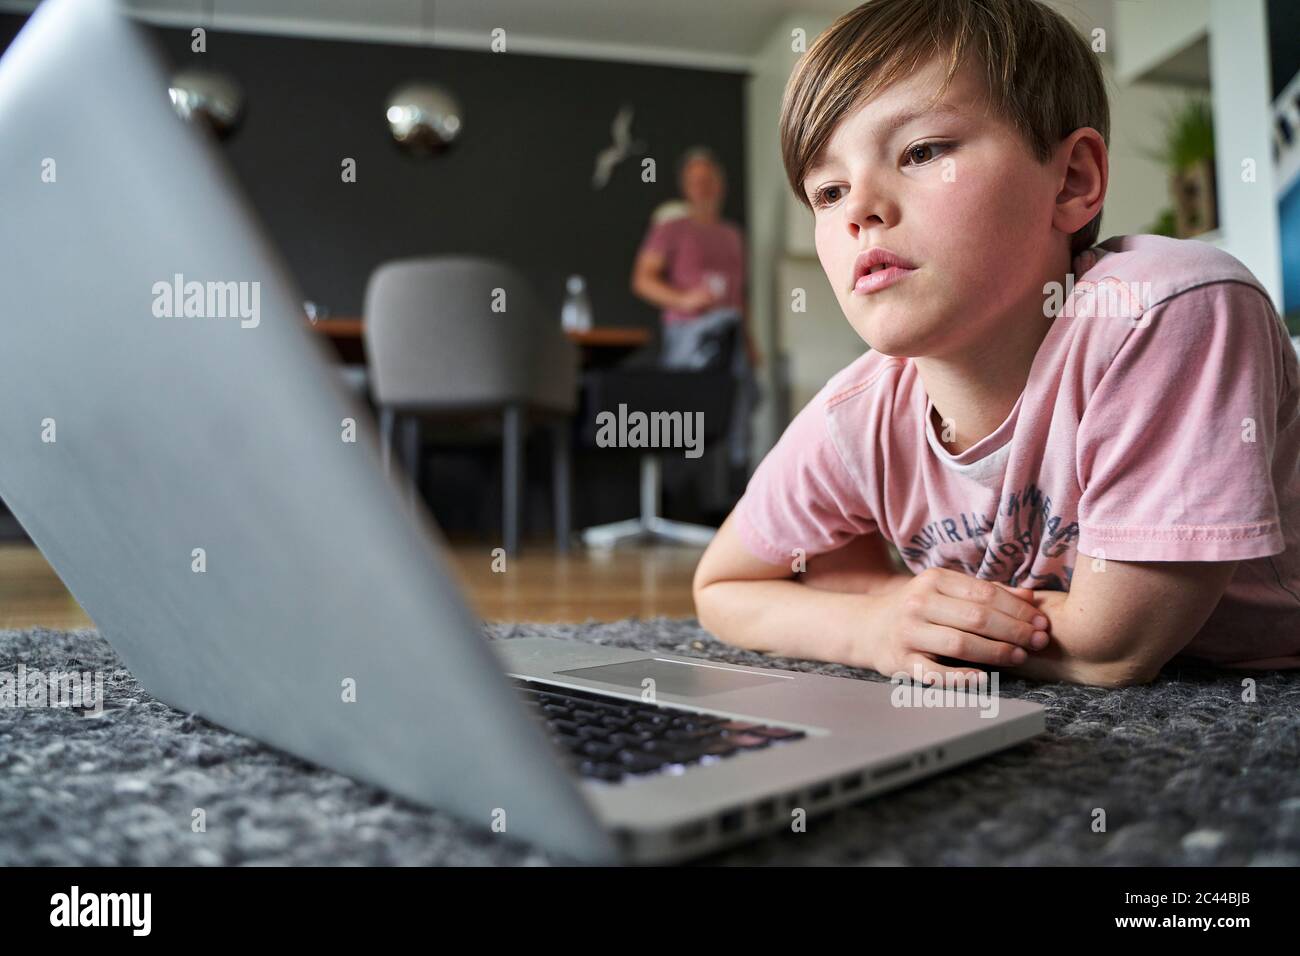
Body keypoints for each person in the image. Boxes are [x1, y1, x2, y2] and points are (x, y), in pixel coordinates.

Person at [693, 0, 1300, 687]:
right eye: (828, 192)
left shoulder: (1166, 311)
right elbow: (721, 586)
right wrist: (874, 620)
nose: (858, 208)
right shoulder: (857, 412)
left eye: (921, 152)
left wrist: (869, 599)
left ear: (1072, 180)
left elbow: (1110, 647)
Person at [631, 146, 761, 480]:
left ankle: (736, 475)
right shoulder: (671, 229)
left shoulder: (733, 236)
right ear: (685, 187)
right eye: (694, 181)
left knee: (738, 396)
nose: (702, 188)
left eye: (707, 180)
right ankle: (684, 482)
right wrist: (685, 300)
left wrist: (750, 343)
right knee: (690, 412)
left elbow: (739, 297)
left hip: (730, 339)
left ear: (720, 184)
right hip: (689, 336)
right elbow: (642, 279)